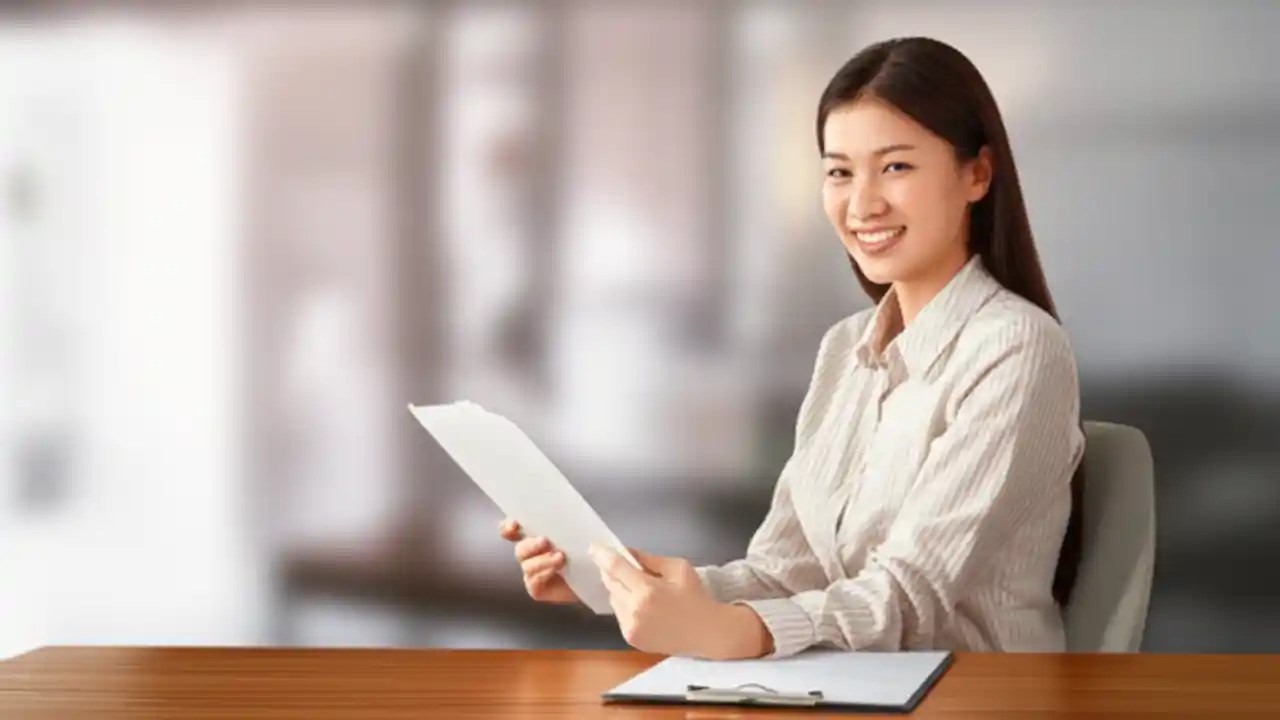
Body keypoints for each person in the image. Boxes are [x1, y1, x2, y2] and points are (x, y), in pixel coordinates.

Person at [499, 36, 1085, 660]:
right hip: (848, 688)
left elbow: (908, 595)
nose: (862, 204)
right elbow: (785, 571)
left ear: (977, 174)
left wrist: (735, 633)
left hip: (973, 697)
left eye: (896, 167)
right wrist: (640, 587)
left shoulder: (1019, 349)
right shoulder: (844, 352)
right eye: (839, 172)